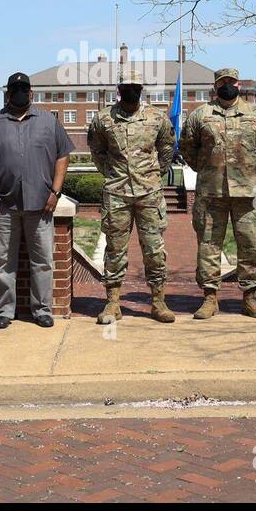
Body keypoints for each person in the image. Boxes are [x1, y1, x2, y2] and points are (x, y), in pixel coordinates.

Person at [0, 72, 73, 329]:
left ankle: (42, 310)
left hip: (41, 205)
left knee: (43, 260)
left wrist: (56, 191)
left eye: (23, 89)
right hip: (2, 205)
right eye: (14, 89)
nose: (19, 93)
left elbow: (62, 156)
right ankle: (4, 311)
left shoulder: (49, 121)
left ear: (31, 93)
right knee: (3, 260)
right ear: (7, 94)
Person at [179, 68, 256, 319]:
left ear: (239, 84)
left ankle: (249, 298)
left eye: (232, 81)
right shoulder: (200, 115)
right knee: (208, 245)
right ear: (215, 86)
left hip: (250, 193)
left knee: (251, 245)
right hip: (211, 192)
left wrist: (253, 170)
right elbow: (187, 147)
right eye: (222, 82)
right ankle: (209, 298)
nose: (227, 85)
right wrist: (205, 169)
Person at [86, 69, 176, 324]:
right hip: (117, 193)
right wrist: (112, 173)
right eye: (127, 87)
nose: (131, 91)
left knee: (154, 250)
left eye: (136, 87)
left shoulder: (157, 118)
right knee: (114, 250)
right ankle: (113, 303)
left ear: (141, 90)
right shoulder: (103, 119)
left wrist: (155, 174)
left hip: (149, 193)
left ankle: (158, 302)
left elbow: (167, 148)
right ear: (119, 90)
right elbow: (97, 150)